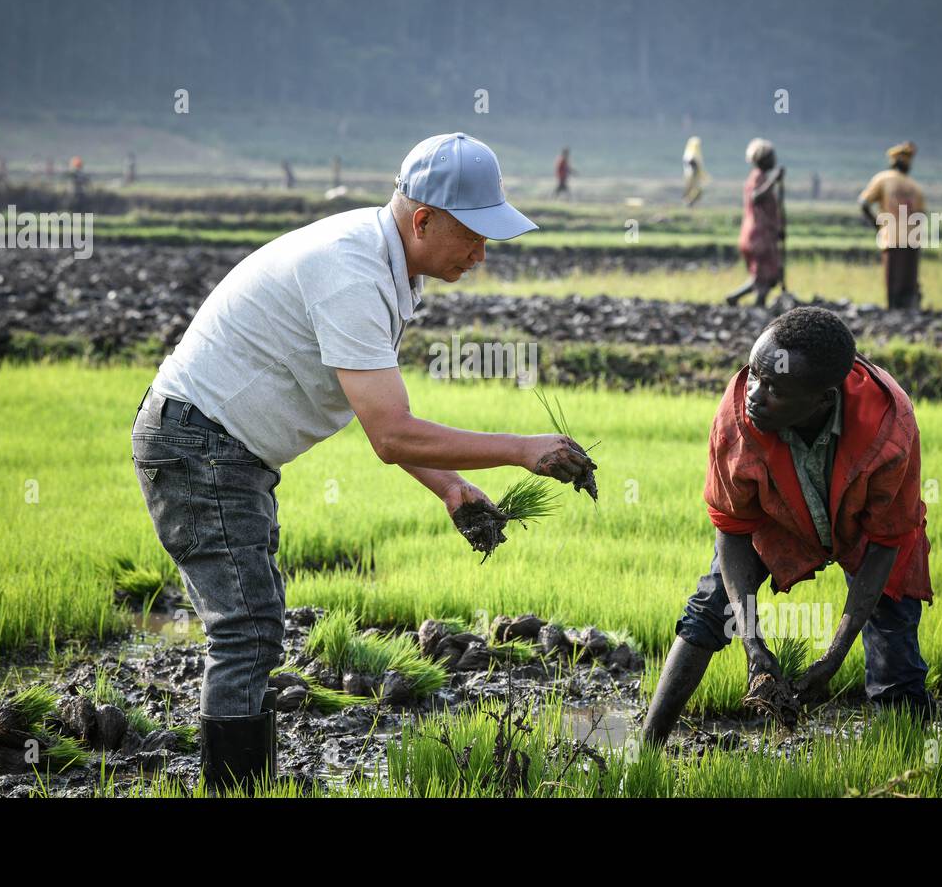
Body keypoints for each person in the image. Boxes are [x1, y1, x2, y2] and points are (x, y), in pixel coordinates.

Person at [132, 132, 597, 792]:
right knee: (246, 630)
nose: (481, 254)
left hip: (227, 451)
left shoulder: (388, 267)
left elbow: (369, 407)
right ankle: (233, 790)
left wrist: (452, 489)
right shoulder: (351, 269)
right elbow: (392, 433)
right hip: (201, 445)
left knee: (251, 624)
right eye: (472, 235)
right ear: (424, 220)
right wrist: (522, 451)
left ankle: (241, 785)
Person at [641, 306, 936, 746]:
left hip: (864, 527)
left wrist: (835, 656)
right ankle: (645, 749)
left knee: (894, 652)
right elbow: (734, 527)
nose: (754, 394)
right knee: (709, 607)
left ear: (824, 400)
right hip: (779, 516)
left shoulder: (888, 429)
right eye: (755, 374)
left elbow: (886, 540)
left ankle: (910, 765)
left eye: (775, 388)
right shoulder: (737, 420)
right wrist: (752, 641)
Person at [859, 141, 926, 311]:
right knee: (908, 282)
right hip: (912, 240)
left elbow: (864, 203)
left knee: (893, 282)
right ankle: (908, 314)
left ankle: (893, 313)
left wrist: (878, 226)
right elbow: (921, 215)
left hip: (891, 238)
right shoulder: (915, 186)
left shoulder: (883, 179)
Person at [725, 138, 784, 307]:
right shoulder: (758, 177)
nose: (774, 160)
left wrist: (777, 229)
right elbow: (756, 197)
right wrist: (773, 180)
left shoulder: (760, 177)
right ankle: (758, 310)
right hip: (759, 237)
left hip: (760, 234)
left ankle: (735, 299)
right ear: (763, 159)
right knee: (764, 279)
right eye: (771, 157)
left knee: (764, 278)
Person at [682, 136, 710, 207]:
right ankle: (689, 203)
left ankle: (690, 204)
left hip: (693, 176)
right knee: (694, 190)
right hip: (693, 176)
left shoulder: (689, 154)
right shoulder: (690, 154)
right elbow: (694, 166)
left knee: (696, 191)